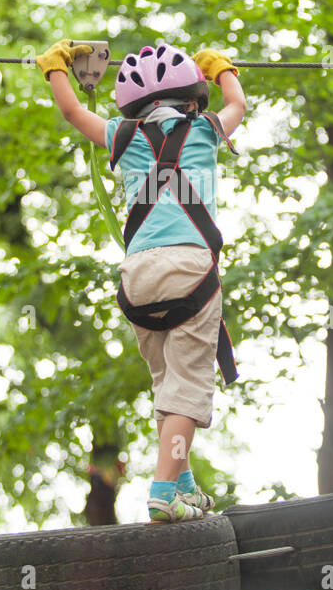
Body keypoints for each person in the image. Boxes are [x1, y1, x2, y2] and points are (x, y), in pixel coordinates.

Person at [36, 38, 247, 523]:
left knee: (167, 384)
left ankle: (184, 484)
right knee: (189, 388)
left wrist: (55, 67)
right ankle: (161, 492)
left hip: (138, 278)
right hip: (189, 270)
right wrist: (221, 67)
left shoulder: (121, 136)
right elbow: (238, 103)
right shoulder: (204, 129)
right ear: (192, 101)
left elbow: (71, 112)